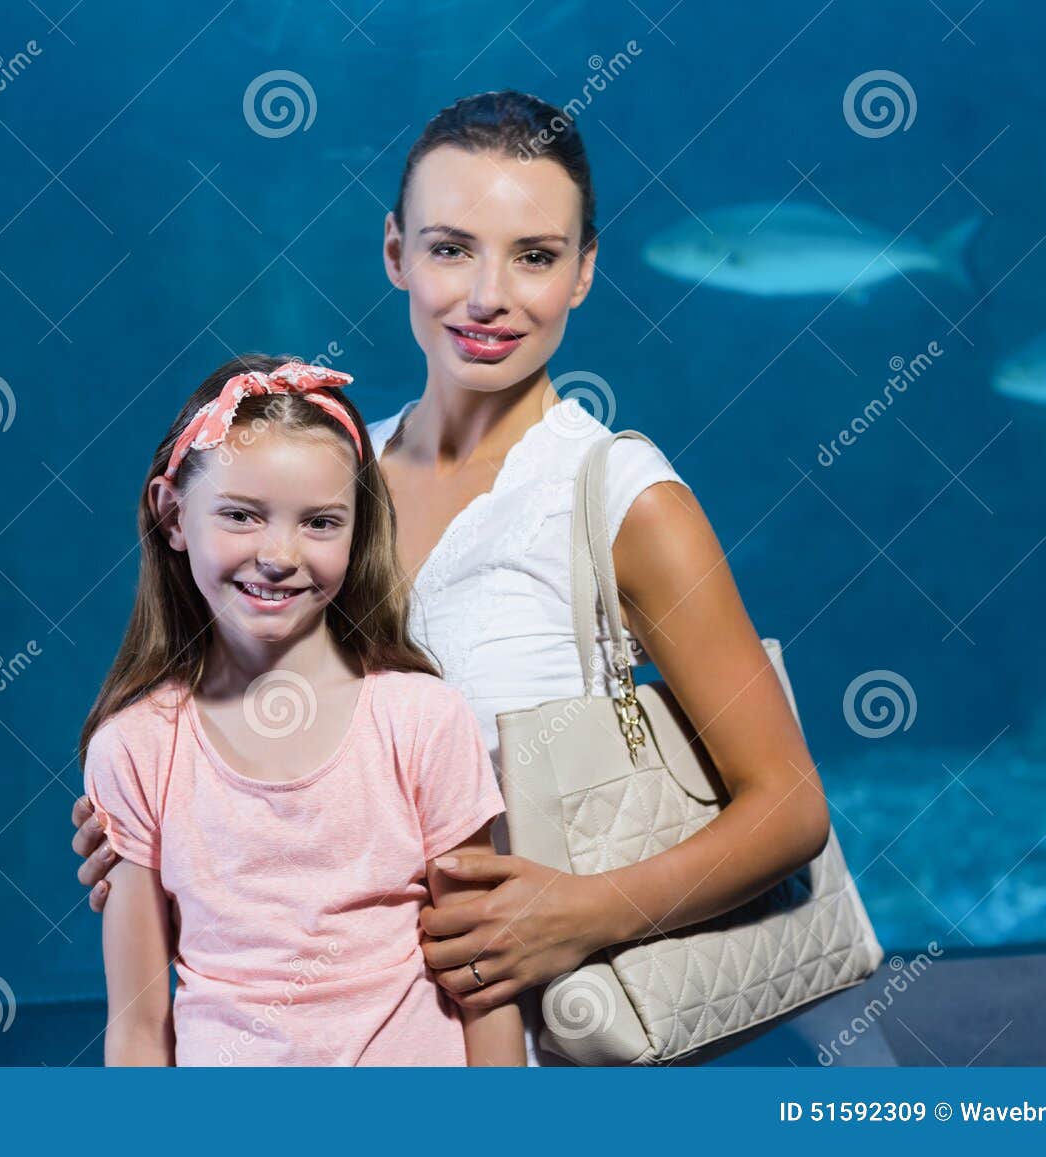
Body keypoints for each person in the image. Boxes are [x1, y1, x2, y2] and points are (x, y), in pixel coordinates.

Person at [74, 91, 830, 1066]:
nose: (487, 296)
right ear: (393, 252)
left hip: (539, 1050)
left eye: (534, 254)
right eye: (448, 247)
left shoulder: (624, 498)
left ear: (585, 271)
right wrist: (149, 827)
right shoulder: (331, 480)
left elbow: (789, 804)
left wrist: (579, 911)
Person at [81, 354, 525, 1066]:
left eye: (320, 522)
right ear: (172, 514)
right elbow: (136, 1029)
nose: (279, 554)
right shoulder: (133, 749)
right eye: (241, 515)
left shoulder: (423, 720)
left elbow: (483, 983)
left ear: (359, 530)